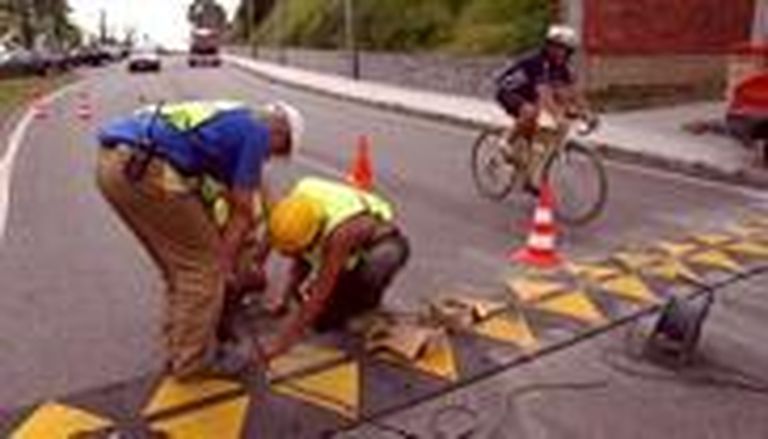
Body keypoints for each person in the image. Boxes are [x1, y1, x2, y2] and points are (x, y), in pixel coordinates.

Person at [95, 99, 304, 380]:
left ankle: (178, 349)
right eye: (278, 151)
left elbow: (237, 206)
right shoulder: (257, 131)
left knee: (180, 268)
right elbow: (243, 210)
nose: (269, 159)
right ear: (280, 133)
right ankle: (194, 362)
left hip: (114, 165)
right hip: (148, 168)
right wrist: (225, 264)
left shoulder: (229, 119)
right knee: (203, 268)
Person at [262, 176, 410, 360]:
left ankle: (367, 305)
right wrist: (284, 299)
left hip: (383, 243)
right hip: (349, 250)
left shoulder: (341, 235)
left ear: (315, 232)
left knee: (376, 266)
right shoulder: (299, 201)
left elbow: (320, 292)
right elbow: (301, 259)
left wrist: (282, 343)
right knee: (324, 322)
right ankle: (348, 291)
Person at [495, 25, 595, 191]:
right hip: (509, 91)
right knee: (532, 112)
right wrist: (557, 115)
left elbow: (572, 93)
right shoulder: (538, 62)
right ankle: (505, 142)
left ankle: (530, 176)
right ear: (550, 46)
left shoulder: (562, 66)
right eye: (559, 48)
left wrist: (587, 114)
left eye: (566, 49)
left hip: (530, 94)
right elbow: (544, 95)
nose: (562, 53)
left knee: (545, 132)